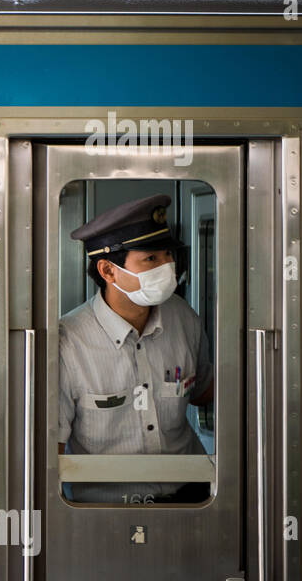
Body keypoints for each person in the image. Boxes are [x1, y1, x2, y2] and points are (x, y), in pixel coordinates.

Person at [57, 194, 214, 503]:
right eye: (151, 259)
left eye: (168, 255)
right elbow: (53, 448)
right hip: (106, 509)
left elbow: (203, 393)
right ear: (108, 271)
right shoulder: (68, 342)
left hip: (194, 497)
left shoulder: (182, 317)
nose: (168, 266)